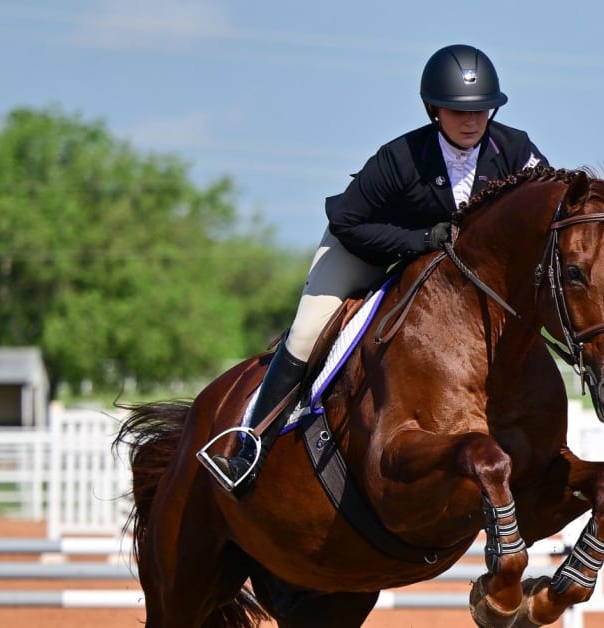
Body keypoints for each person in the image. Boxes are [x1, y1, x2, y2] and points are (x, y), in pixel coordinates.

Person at [210, 44, 548, 495]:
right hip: (364, 248)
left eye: (482, 110)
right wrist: (421, 240)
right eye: (457, 111)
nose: (472, 121)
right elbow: (347, 221)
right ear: (434, 110)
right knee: (308, 332)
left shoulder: (516, 149)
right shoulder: (401, 158)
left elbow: (550, 204)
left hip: (447, 275)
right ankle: (249, 447)